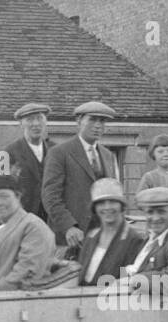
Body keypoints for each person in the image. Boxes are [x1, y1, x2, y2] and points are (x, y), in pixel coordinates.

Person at [41, 100, 120, 253]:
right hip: (68, 240)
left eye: (102, 121)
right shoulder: (59, 153)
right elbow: (50, 196)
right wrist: (69, 226)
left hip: (101, 239)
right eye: (92, 120)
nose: (98, 125)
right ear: (79, 121)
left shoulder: (108, 156)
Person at [0, 176, 55, 291]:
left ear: (18, 197)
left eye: (4, 196)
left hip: (24, 297)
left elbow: (28, 268)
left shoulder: (32, 226)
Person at [77, 178, 144, 286]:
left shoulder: (133, 239)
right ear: (94, 208)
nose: (107, 207)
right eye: (101, 203)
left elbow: (129, 281)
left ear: (122, 205)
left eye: (112, 202)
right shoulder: (91, 237)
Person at [5, 102, 54, 224]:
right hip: (22, 220)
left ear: (45, 122)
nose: (36, 124)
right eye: (30, 119)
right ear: (21, 124)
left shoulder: (56, 151)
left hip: (51, 220)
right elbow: (0, 187)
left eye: (40, 118)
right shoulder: (6, 153)